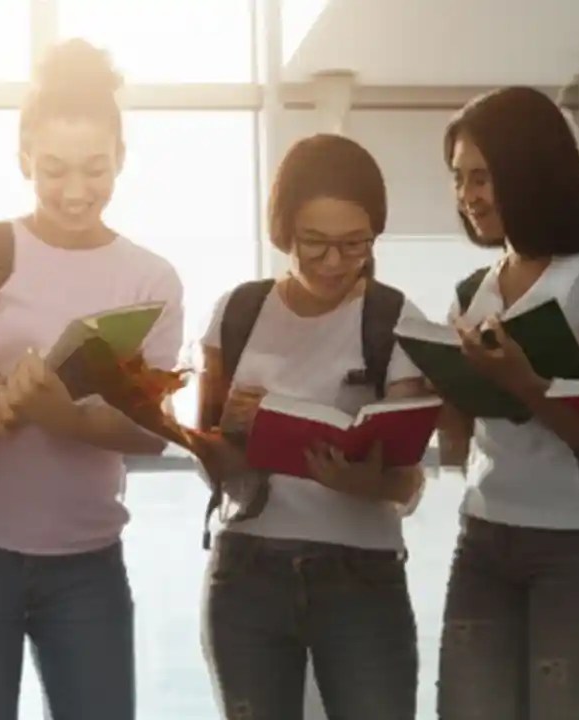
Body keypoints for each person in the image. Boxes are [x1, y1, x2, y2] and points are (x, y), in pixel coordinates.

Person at [0, 39, 184, 720]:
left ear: (121, 158)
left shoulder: (151, 278)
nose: (74, 191)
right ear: (24, 158)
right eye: (54, 168)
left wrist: (62, 415)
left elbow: (152, 435)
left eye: (95, 169)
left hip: (87, 562)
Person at [433, 86, 579, 720]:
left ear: (530, 173)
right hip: (484, 538)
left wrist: (523, 380)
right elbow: (460, 445)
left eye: (483, 177)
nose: (468, 196)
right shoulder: (471, 292)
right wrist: (444, 393)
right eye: (459, 178)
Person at [194, 133, 430, 720]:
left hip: (361, 575)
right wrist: (233, 432)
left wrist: (361, 482)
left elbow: (408, 483)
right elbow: (211, 464)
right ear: (283, 230)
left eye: (355, 245)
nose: (333, 263)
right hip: (248, 568)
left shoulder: (393, 317)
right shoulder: (239, 311)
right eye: (315, 243)